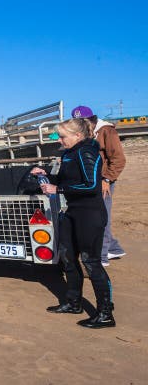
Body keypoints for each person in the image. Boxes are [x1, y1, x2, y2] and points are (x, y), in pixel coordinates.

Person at [31, 117, 115, 328]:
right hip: (72, 212)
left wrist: (57, 190)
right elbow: (68, 181)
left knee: (90, 261)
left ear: (77, 136)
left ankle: (105, 313)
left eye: (62, 136)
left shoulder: (88, 151)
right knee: (67, 256)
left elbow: (92, 185)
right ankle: (73, 302)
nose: (60, 140)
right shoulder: (69, 153)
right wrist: (47, 176)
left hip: (89, 214)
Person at [71, 105, 127, 265]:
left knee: (101, 218)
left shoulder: (107, 131)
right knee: (97, 216)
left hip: (103, 182)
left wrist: (107, 180)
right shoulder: (85, 133)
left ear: (91, 119)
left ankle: (101, 258)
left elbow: (118, 159)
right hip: (91, 181)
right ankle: (114, 249)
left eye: (82, 121)